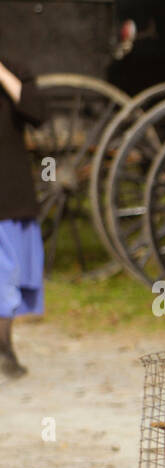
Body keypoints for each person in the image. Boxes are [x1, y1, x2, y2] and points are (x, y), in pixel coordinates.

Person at [0, 56, 46, 378]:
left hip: (7, 195)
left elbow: (37, 113)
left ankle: (4, 348)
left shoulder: (14, 69)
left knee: (6, 278)